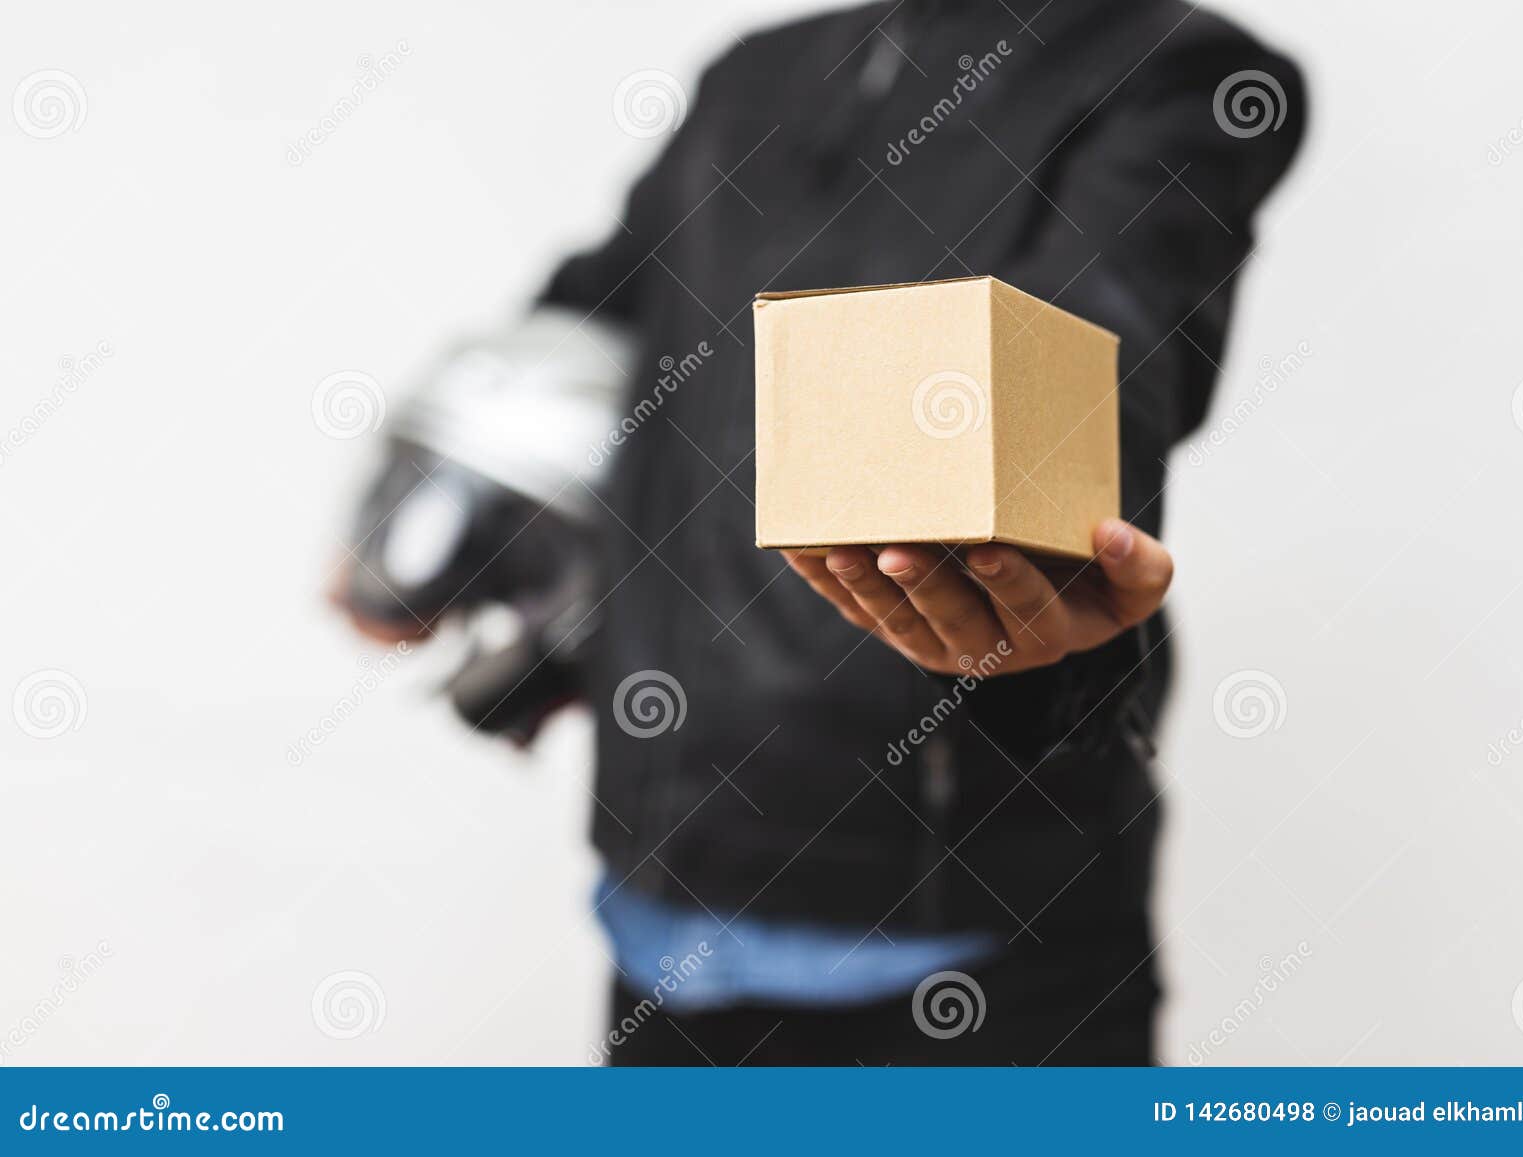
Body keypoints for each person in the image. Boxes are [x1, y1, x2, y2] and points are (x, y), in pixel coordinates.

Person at [342, 0, 1305, 1065]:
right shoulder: (751, 74)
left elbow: (1099, 355)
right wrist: (436, 538)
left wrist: (1038, 567)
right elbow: (597, 318)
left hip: (967, 955)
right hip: (658, 914)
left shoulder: (1175, 69)